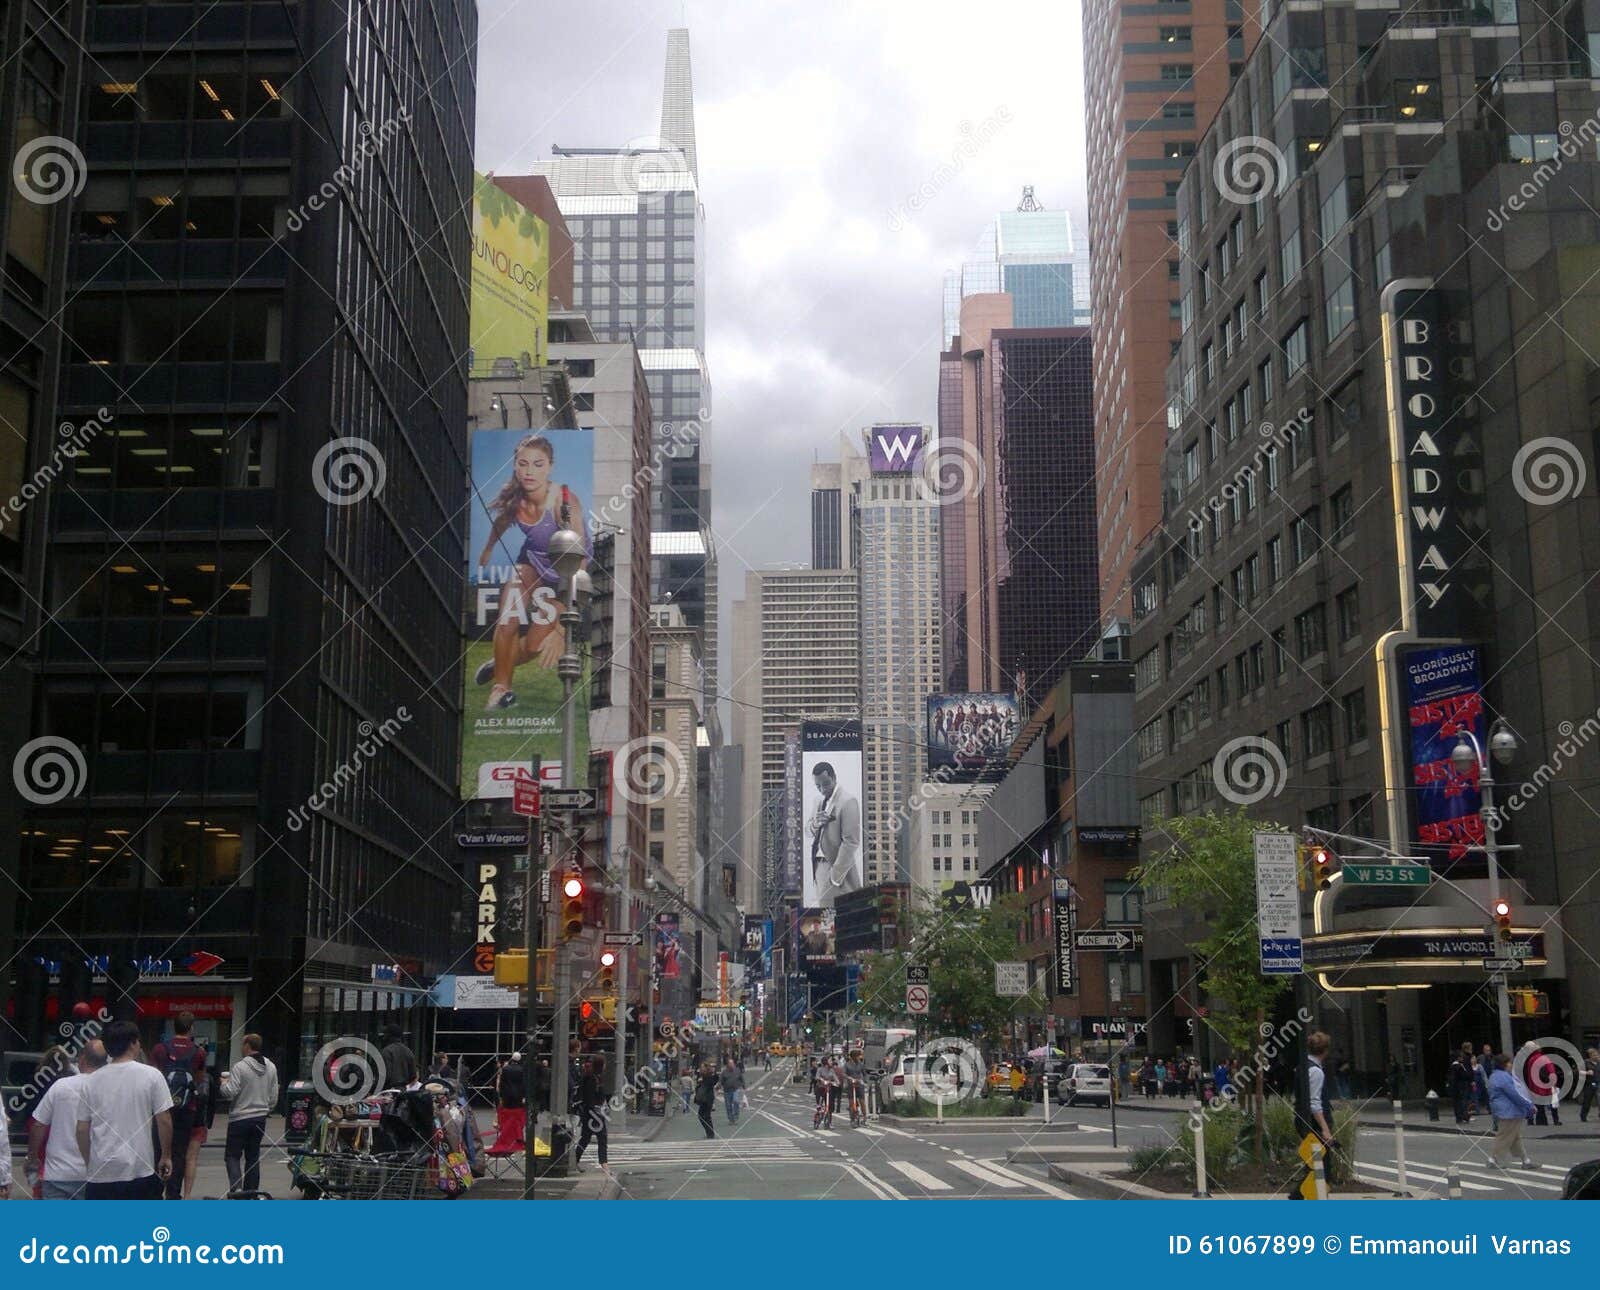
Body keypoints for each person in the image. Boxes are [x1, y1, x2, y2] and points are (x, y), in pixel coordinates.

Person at [474, 433, 589, 711]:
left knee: (536, 645)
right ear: (515, 466)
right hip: (530, 564)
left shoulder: (563, 501)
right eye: (523, 463)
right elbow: (502, 521)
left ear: (550, 466)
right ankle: (501, 690)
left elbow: (580, 560)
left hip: (565, 572)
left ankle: (502, 661)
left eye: (538, 464)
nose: (529, 471)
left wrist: (562, 628)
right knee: (507, 621)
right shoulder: (515, 498)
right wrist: (487, 550)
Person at [76, 1020, 172, 1199]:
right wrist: (166, 1156)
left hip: (101, 1174)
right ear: (134, 1043)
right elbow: (164, 1119)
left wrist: (90, 1161)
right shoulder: (152, 1076)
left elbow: (81, 1129)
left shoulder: (90, 1081)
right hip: (139, 1170)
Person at [27, 1040, 107, 1200]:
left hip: (58, 1174)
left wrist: (33, 1158)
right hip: (95, 1176)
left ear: (82, 1060)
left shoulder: (60, 1086)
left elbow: (38, 1125)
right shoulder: (109, 1089)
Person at [148, 1011, 207, 1200]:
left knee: (158, 1149)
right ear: (191, 1028)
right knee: (179, 1152)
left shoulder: (159, 1049)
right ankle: (174, 1193)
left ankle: (156, 1191)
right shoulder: (198, 1052)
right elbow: (199, 1079)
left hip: (162, 1107)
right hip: (187, 1108)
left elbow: (153, 1077)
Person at [219, 1033, 279, 1197]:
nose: (240, 1047)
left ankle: (237, 1190)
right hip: (260, 1118)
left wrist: (224, 1084)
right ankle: (251, 1193)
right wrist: (267, 1109)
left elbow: (230, 1093)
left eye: (242, 1044)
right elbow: (274, 1096)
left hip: (240, 1118)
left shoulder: (240, 1067)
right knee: (253, 1157)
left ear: (247, 1045)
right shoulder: (271, 1067)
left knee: (232, 1155)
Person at [1288, 1030, 1336, 1199]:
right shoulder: (1316, 1072)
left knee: (1315, 1166)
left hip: (1302, 1120)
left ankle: (1299, 1198)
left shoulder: (1302, 1067)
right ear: (1325, 1051)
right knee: (1322, 1168)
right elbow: (1315, 1104)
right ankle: (1299, 1198)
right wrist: (1325, 1129)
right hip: (1313, 1124)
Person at [807, 761, 862, 907]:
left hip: (834, 867)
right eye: (818, 786)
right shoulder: (817, 801)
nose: (822, 789)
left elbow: (851, 841)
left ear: (834, 778)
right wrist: (816, 824)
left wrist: (835, 876)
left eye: (826, 784)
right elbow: (807, 830)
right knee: (825, 916)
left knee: (831, 916)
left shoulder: (848, 801)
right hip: (818, 866)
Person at [1488, 1052, 1536, 1168]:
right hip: (1509, 1112)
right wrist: (1529, 1106)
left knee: (1514, 1137)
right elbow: (1516, 1095)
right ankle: (1493, 1160)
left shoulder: (1494, 1076)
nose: (1511, 1065)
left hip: (1502, 1111)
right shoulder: (1504, 1078)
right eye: (1509, 1063)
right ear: (1504, 1064)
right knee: (1504, 1137)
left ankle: (1526, 1161)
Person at [573, 1056, 609, 1169]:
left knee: (585, 1138)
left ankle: (575, 1160)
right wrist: (596, 1110)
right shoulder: (593, 1079)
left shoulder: (592, 1077)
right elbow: (590, 1098)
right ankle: (604, 1164)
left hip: (591, 1113)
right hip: (594, 1114)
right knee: (601, 1138)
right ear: (601, 1066)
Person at [379, 1024, 417, 1089]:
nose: (383, 1037)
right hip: (403, 1090)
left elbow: (386, 1075)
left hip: (388, 1090)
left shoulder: (386, 1051)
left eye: (385, 1034)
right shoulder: (408, 1051)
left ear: (389, 1035)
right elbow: (413, 1075)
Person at [1449, 1043, 1474, 1123]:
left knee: (1460, 1102)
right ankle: (1462, 1117)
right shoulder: (1458, 1066)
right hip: (1460, 1087)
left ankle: (1462, 1116)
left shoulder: (1456, 1066)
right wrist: (1469, 1077)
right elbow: (1464, 1075)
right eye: (1461, 1057)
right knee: (1461, 1102)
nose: (1463, 1058)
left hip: (1458, 1087)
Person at [694, 1062, 718, 1139]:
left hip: (707, 1099)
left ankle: (710, 1134)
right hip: (705, 1099)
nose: (701, 1069)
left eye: (702, 1067)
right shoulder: (703, 1076)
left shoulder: (708, 1077)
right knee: (703, 1116)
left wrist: (701, 1081)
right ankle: (709, 1133)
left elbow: (712, 1082)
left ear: (706, 1069)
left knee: (705, 1116)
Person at [720, 1057, 745, 1124]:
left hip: (735, 1089)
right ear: (727, 1065)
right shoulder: (724, 1072)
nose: (731, 1065)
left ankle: (735, 1116)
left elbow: (741, 1078)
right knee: (728, 1106)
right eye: (730, 1063)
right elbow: (721, 1081)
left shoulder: (737, 1070)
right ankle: (731, 1119)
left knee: (736, 1101)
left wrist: (743, 1086)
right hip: (727, 1091)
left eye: (732, 1063)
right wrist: (719, 1086)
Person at [1580, 1048, 1599, 1122]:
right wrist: (1587, 1073)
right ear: (1590, 1056)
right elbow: (1579, 1071)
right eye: (1594, 1055)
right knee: (1587, 1101)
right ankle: (1583, 1116)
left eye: (1597, 1054)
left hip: (1598, 1084)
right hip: (1589, 1084)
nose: (1596, 1056)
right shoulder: (1586, 1062)